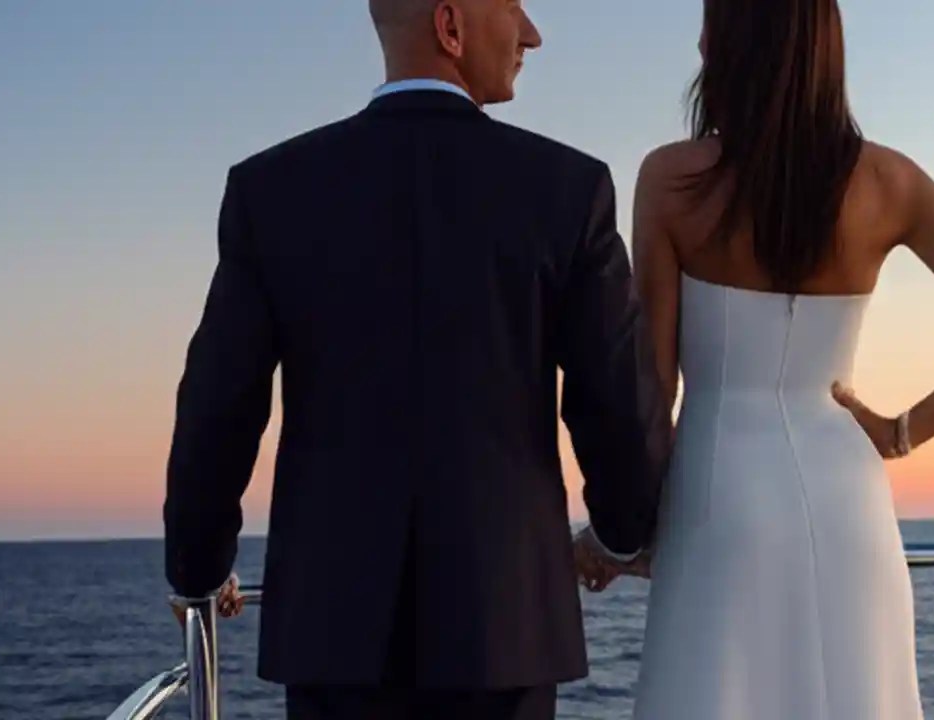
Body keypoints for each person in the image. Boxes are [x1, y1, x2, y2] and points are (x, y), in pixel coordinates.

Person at [162, 0, 673, 718]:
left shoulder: (271, 193)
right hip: (505, 635)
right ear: (450, 27)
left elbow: (218, 406)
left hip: (331, 637)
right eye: (515, 8)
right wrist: (619, 536)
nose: (532, 33)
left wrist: (198, 569)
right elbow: (620, 408)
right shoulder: (566, 191)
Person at [574, 0, 934, 718]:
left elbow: (654, 389)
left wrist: (618, 538)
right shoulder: (892, 184)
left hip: (718, 500)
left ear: (730, 42)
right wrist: (901, 431)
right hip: (848, 501)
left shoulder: (674, 181)